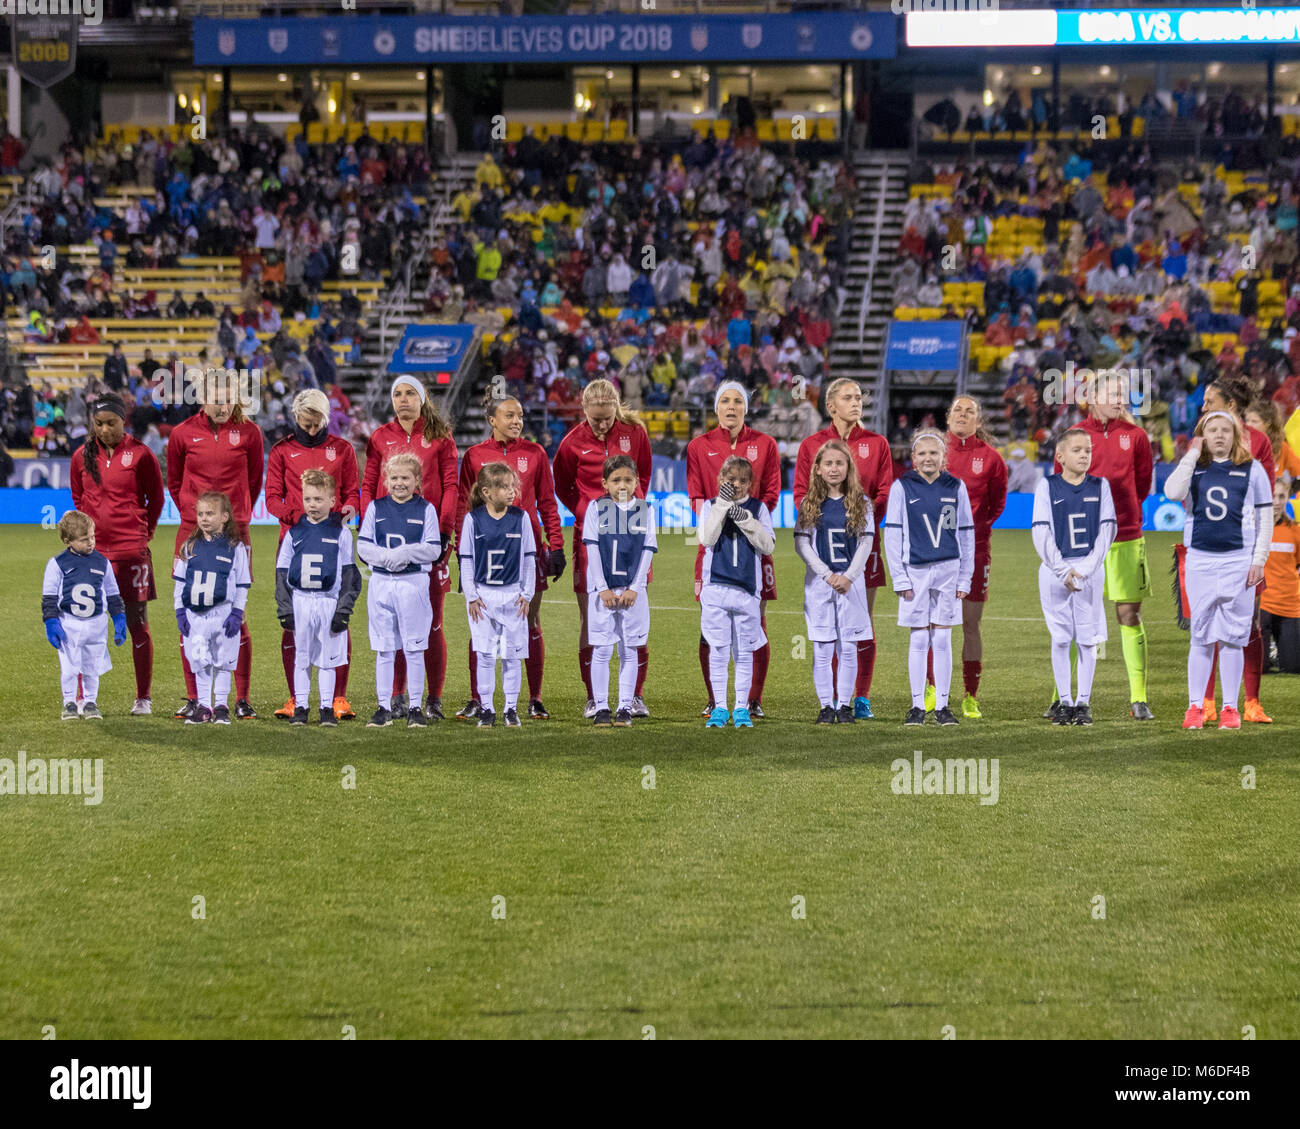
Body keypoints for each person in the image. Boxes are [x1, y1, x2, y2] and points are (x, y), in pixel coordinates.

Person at [454, 394, 562, 721]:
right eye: (510, 415)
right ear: (492, 420)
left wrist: (555, 544)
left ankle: (534, 698)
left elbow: (547, 502)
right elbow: (463, 507)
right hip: (484, 554)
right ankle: (478, 699)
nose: (517, 421)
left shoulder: (536, 453)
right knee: (480, 629)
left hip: (524, 551)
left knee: (529, 622)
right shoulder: (474, 456)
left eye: (520, 416)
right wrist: (462, 553)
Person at [1055, 371, 1155, 721]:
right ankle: (1062, 697)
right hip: (1081, 541)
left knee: (1129, 614)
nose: (1120, 399)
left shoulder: (1137, 436)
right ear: (1092, 397)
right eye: (1113, 393)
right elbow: (1060, 485)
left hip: (1126, 536)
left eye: (1122, 394)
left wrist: (1120, 515)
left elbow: (1141, 486)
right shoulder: (1073, 438)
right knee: (1073, 619)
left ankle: (1138, 698)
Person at [792, 378, 892, 719]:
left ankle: (858, 697)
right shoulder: (811, 445)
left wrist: (859, 517)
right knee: (825, 633)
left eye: (859, 397)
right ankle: (829, 700)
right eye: (848, 397)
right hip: (823, 545)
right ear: (831, 405)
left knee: (860, 622)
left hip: (862, 544)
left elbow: (884, 492)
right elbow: (800, 494)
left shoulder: (877, 443)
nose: (856, 402)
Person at [552, 379, 653, 717]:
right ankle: (594, 697)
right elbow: (563, 486)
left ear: (616, 407)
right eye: (595, 419)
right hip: (591, 537)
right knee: (590, 618)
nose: (601, 424)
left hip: (632, 534)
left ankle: (633, 695)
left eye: (607, 417)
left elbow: (645, 475)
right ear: (584, 412)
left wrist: (627, 511)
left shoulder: (635, 433)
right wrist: (585, 509)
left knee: (633, 615)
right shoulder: (570, 443)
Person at [1165, 412, 1272, 730]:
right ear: (1202, 434)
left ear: (1236, 434)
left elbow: (1265, 517)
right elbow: (1172, 493)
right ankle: (1195, 707)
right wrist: (1191, 454)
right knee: (1200, 636)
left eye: (1226, 430)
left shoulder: (1252, 469)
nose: (1220, 435)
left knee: (1233, 637)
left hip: (1238, 562)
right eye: (1212, 430)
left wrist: (1259, 560)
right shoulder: (1194, 467)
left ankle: (1229, 708)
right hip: (1200, 560)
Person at [360, 376, 459, 718]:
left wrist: (445, 530)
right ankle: (397, 696)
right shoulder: (380, 437)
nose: (403, 399)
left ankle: (432, 698)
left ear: (422, 398)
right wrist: (366, 525)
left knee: (431, 623)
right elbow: (368, 484)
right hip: (387, 541)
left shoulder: (440, 437)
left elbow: (450, 485)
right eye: (397, 394)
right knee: (394, 624)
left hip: (428, 540)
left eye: (410, 393)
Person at [165, 376, 263, 720]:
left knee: (237, 611)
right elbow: (175, 482)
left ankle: (241, 697)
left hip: (236, 533)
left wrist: (235, 518)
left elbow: (255, 479)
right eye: (215, 400)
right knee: (190, 614)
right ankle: (196, 698)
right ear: (202, 400)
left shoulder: (250, 433)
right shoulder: (181, 434)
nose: (222, 406)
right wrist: (196, 516)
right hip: (193, 532)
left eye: (228, 399)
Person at [686, 382, 781, 718]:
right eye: (724, 400)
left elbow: (770, 492)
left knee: (757, 621)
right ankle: (715, 699)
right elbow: (696, 492)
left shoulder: (766, 444)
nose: (731, 406)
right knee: (709, 623)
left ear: (746, 407)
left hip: (752, 542)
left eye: (738, 400)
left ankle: (752, 699)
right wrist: (714, 517)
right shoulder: (699, 446)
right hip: (714, 537)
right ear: (716, 408)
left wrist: (749, 516)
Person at [266, 389, 362, 721]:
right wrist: (298, 518)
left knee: (338, 619)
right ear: (296, 417)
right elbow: (272, 498)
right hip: (295, 540)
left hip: (332, 539)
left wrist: (350, 507)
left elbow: (353, 492)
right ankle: (297, 697)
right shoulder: (281, 451)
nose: (311, 428)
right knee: (294, 621)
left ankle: (338, 697)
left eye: (317, 421)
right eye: (305, 422)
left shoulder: (343, 449)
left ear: (326, 416)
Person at [69, 394, 164, 715]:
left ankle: (143, 697)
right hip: (93, 557)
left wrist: (143, 533)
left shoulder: (141, 454)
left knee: (138, 622)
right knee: (86, 626)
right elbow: (78, 500)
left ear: (124, 421)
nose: (105, 429)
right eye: (99, 424)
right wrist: (85, 540)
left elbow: (157, 498)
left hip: (132, 553)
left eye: (111, 423)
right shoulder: (81, 456)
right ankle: (85, 697)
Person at [1196, 377, 1277, 723]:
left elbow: (1266, 496)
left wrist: (1258, 552)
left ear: (1230, 405)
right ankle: (1207, 700)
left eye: (1210, 401)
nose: (1203, 408)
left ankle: (1251, 701)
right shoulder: (1200, 440)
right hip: (1207, 545)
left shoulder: (1257, 442)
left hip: (1245, 548)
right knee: (1206, 623)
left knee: (1250, 622)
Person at [883, 431, 975, 727]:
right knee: (920, 637)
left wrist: (965, 577)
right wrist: (899, 577)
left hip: (948, 570)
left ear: (943, 458)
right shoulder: (902, 487)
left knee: (944, 637)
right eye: (921, 453)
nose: (928, 458)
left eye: (933, 453)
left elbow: (966, 533)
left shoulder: (956, 486)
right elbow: (893, 533)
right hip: (915, 571)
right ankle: (917, 706)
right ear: (913, 458)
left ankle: (944, 706)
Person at [1031, 428, 1117, 727]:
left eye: (1088, 450)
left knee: (1087, 639)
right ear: (1060, 456)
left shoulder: (1100, 486)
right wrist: (1063, 570)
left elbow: (1107, 531)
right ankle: (1064, 702)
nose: (1084, 455)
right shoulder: (1047, 486)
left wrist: (1086, 569)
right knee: (1060, 637)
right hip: (1056, 571)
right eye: (1077, 450)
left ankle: (1083, 703)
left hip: (1088, 572)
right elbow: (1041, 531)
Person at [932, 396, 1008, 718]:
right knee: (933, 622)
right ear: (948, 417)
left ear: (978, 422)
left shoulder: (991, 459)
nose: (963, 416)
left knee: (970, 623)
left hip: (975, 551)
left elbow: (997, 505)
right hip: (933, 550)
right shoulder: (933, 451)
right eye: (958, 411)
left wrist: (973, 532)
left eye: (970, 412)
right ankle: (932, 688)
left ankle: (969, 695)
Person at [357, 453, 443, 729]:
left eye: (406, 478)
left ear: (417, 480)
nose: (400, 483)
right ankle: (383, 706)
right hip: (381, 583)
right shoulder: (375, 507)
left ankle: (415, 706)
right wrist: (385, 558)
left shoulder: (426, 509)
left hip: (413, 584)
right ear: (385, 480)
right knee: (384, 649)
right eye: (394, 478)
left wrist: (405, 553)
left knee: (414, 648)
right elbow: (363, 546)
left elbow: (433, 548)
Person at [794, 440, 875, 726]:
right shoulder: (809, 503)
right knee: (823, 647)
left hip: (851, 584)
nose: (834, 468)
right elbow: (802, 545)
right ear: (817, 469)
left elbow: (866, 543)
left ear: (848, 467)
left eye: (839, 463)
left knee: (849, 646)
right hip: (820, 585)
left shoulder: (861, 502)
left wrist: (849, 576)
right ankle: (825, 705)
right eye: (828, 463)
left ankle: (844, 705)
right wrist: (827, 575)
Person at [274, 469, 361, 727]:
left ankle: (325, 707)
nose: (313, 505)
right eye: (309, 499)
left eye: (319, 499)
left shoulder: (341, 532)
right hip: (301, 600)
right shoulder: (294, 533)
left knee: (328, 658)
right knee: (301, 656)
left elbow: (349, 574)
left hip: (328, 601)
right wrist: (285, 608)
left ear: (332, 502)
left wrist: (344, 610)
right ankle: (301, 706)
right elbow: (281, 572)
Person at [697, 456, 776, 729]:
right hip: (716, 589)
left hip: (746, 591)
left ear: (750, 485)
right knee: (718, 649)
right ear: (721, 481)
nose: (737, 485)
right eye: (731, 480)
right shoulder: (709, 505)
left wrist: (745, 519)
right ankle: (720, 706)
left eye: (743, 481)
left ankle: (741, 707)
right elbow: (706, 538)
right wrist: (722, 505)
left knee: (743, 651)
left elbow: (767, 546)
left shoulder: (758, 508)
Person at [581, 455, 657, 727]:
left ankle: (624, 706)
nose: (622, 485)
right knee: (601, 650)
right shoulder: (596, 508)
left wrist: (635, 588)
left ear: (637, 482)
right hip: (603, 592)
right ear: (605, 483)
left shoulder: (645, 510)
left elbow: (647, 551)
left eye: (627, 479)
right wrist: (602, 589)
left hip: (632, 593)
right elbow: (592, 549)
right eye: (616, 480)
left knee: (629, 650)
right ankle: (602, 707)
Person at [459, 462, 536, 730]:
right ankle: (488, 709)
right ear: (487, 492)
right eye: (504, 487)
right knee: (485, 655)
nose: (512, 491)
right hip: (483, 595)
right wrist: (471, 595)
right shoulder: (473, 519)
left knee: (513, 656)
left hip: (513, 595)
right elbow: (466, 559)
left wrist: (527, 593)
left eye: (513, 485)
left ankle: (511, 709)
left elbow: (529, 557)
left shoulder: (521, 517)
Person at [172, 492, 251, 726]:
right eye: (200, 514)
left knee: (224, 660)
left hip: (224, 613)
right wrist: (179, 611)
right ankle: (204, 706)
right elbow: (179, 583)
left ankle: (222, 706)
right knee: (200, 660)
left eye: (210, 513)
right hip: (196, 614)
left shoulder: (235, 547)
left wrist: (237, 613)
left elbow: (242, 584)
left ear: (225, 516)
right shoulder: (189, 546)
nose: (204, 518)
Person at [42, 511, 127, 721]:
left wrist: (119, 618)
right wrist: (51, 622)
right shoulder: (57, 564)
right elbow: (49, 596)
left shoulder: (102, 562)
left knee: (93, 666)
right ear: (67, 541)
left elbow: (113, 593)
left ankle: (90, 702)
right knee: (70, 667)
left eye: (92, 537)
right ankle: (69, 702)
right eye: (84, 539)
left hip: (96, 623)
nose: (90, 543)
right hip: (69, 623)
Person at [1262, 475, 1300, 673]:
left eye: (1281, 496)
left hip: (1289, 606)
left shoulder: (1295, 531)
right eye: (1272, 496)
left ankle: (1279, 652)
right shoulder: (1253, 529)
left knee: (1294, 668)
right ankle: (1268, 653)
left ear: (1287, 499)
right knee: (1259, 669)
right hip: (1261, 606)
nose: (1276, 502)